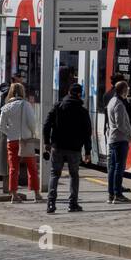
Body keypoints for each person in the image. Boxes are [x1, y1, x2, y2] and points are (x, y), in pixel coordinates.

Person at [43, 82, 92, 214]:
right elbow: (87, 133)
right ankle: (73, 204)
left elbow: (46, 125)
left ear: (68, 92)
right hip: (75, 149)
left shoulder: (58, 106)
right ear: (79, 95)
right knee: (74, 175)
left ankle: (51, 203)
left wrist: (47, 142)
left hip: (57, 146)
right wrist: (88, 151)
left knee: (55, 174)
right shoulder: (82, 111)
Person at [0, 82, 41, 203]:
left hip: (11, 141)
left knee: (13, 168)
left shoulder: (6, 107)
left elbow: (1, 126)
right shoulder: (26, 105)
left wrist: (10, 132)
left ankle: (14, 195)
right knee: (32, 167)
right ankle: (36, 193)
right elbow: (32, 122)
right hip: (25, 140)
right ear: (22, 92)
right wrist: (32, 133)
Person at [105, 80, 131, 204]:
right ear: (123, 90)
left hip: (113, 139)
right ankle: (118, 194)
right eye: (127, 89)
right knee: (118, 167)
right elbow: (120, 124)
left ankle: (111, 194)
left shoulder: (112, 101)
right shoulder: (119, 104)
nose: (128, 92)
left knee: (112, 167)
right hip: (119, 139)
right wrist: (129, 134)